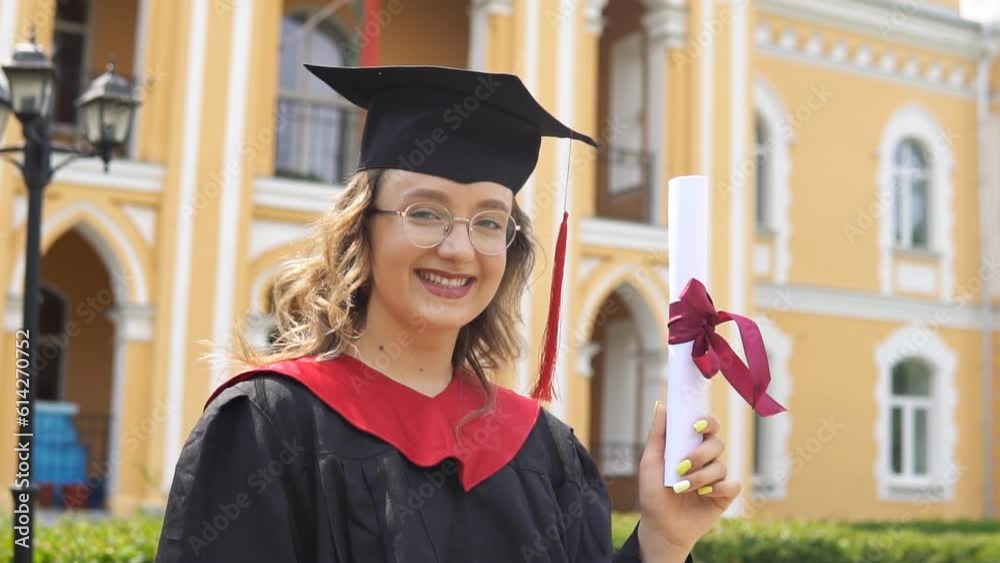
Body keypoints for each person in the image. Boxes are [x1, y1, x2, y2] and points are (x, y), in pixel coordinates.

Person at [154, 65, 740, 563]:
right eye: (425, 213)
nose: (459, 249)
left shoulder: (545, 452)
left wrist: (663, 541)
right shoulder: (267, 425)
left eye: (489, 222)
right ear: (362, 229)